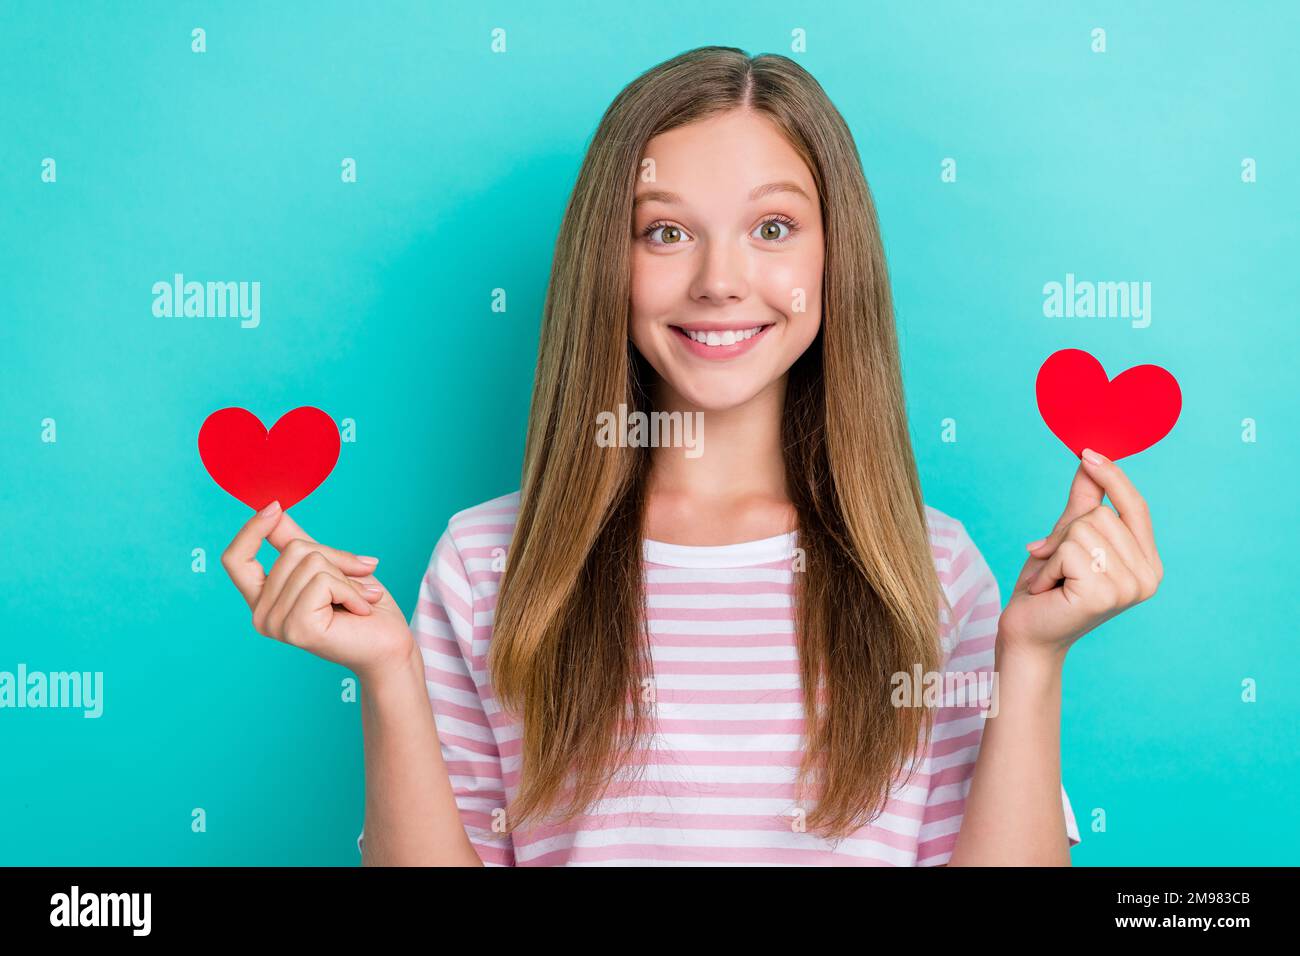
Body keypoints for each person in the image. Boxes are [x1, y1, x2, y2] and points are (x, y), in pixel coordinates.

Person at [220, 46, 1163, 866]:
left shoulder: (932, 570)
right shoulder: (484, 566)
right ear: (610, 263)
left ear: (835, 259)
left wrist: (1033, 661)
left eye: (773, 228)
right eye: (666, 232)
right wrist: (387, 673)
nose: (720, 281)